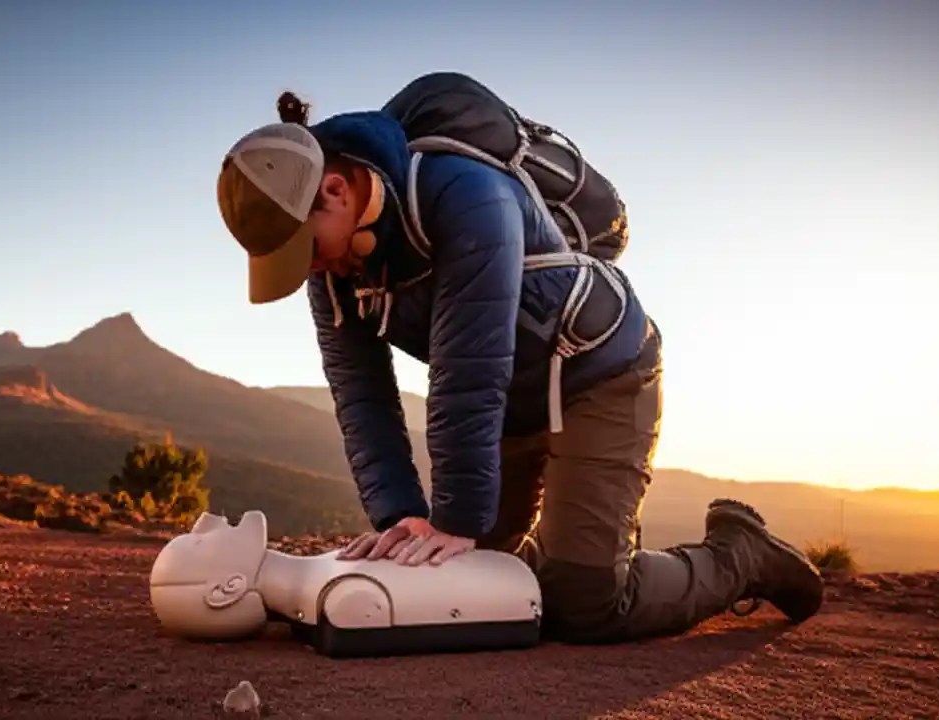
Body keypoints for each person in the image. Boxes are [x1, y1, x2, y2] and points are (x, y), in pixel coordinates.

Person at [214, 86, 824, 643]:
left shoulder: (462, 192)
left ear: (336, 191)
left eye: (308, 250)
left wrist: (454, 515)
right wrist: (402, 518)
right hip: (511, 400)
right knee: (465, 580)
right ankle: (567, 555)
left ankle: (741, 553)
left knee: (585, 604)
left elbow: (467, 362)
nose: (312, 271)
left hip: (599, 374)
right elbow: (361, 396)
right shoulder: (335, 275)